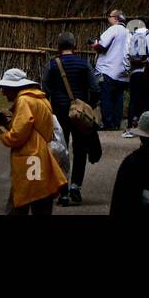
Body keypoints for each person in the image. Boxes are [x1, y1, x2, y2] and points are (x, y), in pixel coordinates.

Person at [0, 68, 68, 215]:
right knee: (40, 199)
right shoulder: (39, 98)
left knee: (26, 199)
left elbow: (16, 137)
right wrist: (6, 123)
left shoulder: (24, 101)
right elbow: (29, 129)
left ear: (14, 87)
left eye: (5, 88)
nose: (3, 93)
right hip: (40, 157)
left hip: (31, 159)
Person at [40, 32, 100, 206]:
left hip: (59, 113)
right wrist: (87, 105)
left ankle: (63, 191)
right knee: (80, 149)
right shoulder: (83, 64)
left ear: (58, 48)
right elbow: (95, 88)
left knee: (60, 150)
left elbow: (45, 91)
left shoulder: (52, 65)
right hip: (79, 114)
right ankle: (76, 186)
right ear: (74, 46)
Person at [89, 10, 130, 130]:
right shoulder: (129, 33)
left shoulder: (113, 29)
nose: (108, 19)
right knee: (118, 98)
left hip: (108, 70)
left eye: (110, 16)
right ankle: (116, 124)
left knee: (106, 98)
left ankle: (108, 124)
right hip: (122, 73)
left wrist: (93, 44)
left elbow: (102, 46)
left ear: (116, 18)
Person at [124, 19, 149, 137]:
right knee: (147, 99)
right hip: (148, 72)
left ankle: (130, 128)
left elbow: (126, 54)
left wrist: (129, 69)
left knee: (133, 100)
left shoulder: (130, 36)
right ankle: (145, 128)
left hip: (134, 73)